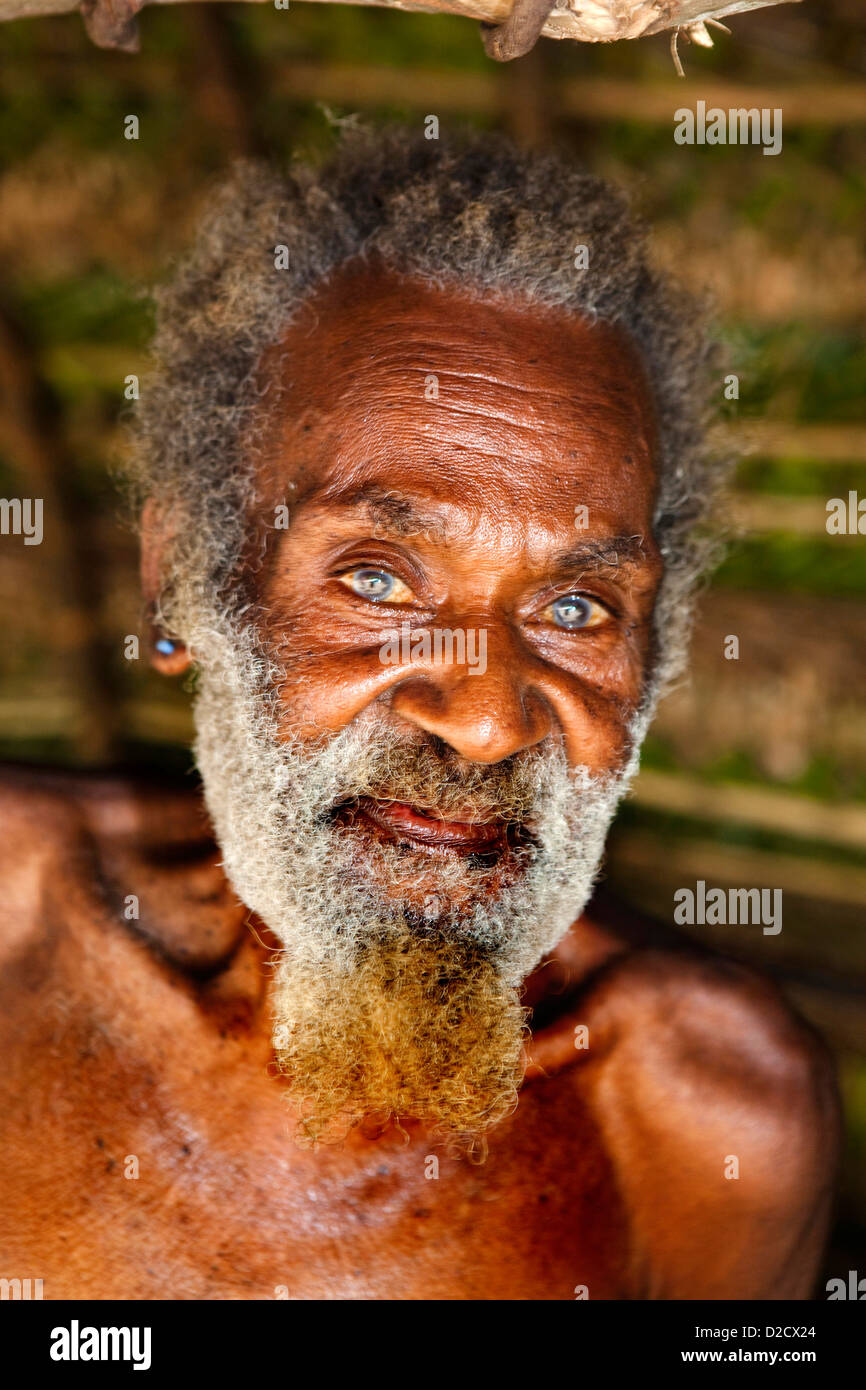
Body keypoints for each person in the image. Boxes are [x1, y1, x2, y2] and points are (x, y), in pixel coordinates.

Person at [0, 124, 839, 1300]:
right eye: (379, 581)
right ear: (183, 579)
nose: (488, 721)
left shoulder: (709, 1118)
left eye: (576, 607)